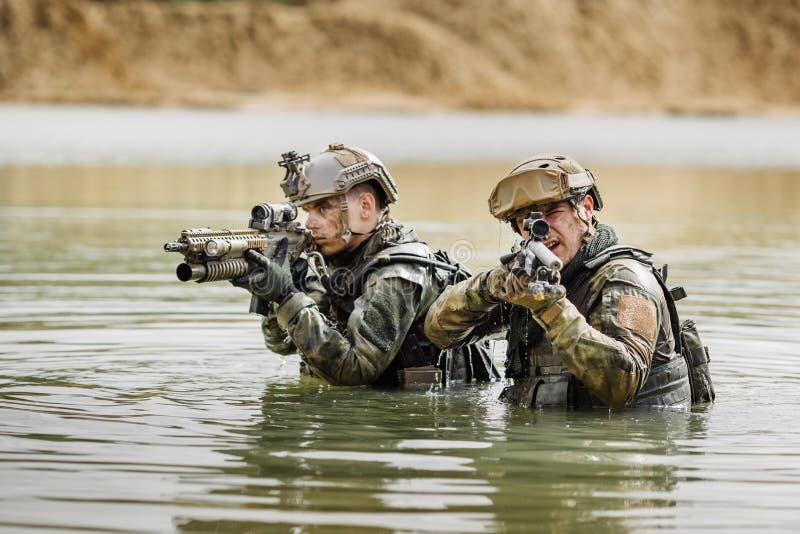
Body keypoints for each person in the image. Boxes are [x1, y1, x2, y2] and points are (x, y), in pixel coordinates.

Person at [424, 153, 697, 408]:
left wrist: (548, 307)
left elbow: (621, 383)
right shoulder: (527, 280)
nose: (542, 231)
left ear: (586, 209)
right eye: (526, 223)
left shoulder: (626, 279)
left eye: (553, 213)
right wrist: (487, 287)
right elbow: (439, 332)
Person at [235, 143, 498, 387]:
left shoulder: (399, 275)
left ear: (365, 206)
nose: (310, 223)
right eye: (308, 211)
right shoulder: (334, 261)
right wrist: (272, 295)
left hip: (416, 423)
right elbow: (283, 345)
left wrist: (286, 296)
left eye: (323, 209)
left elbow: (355, 370)